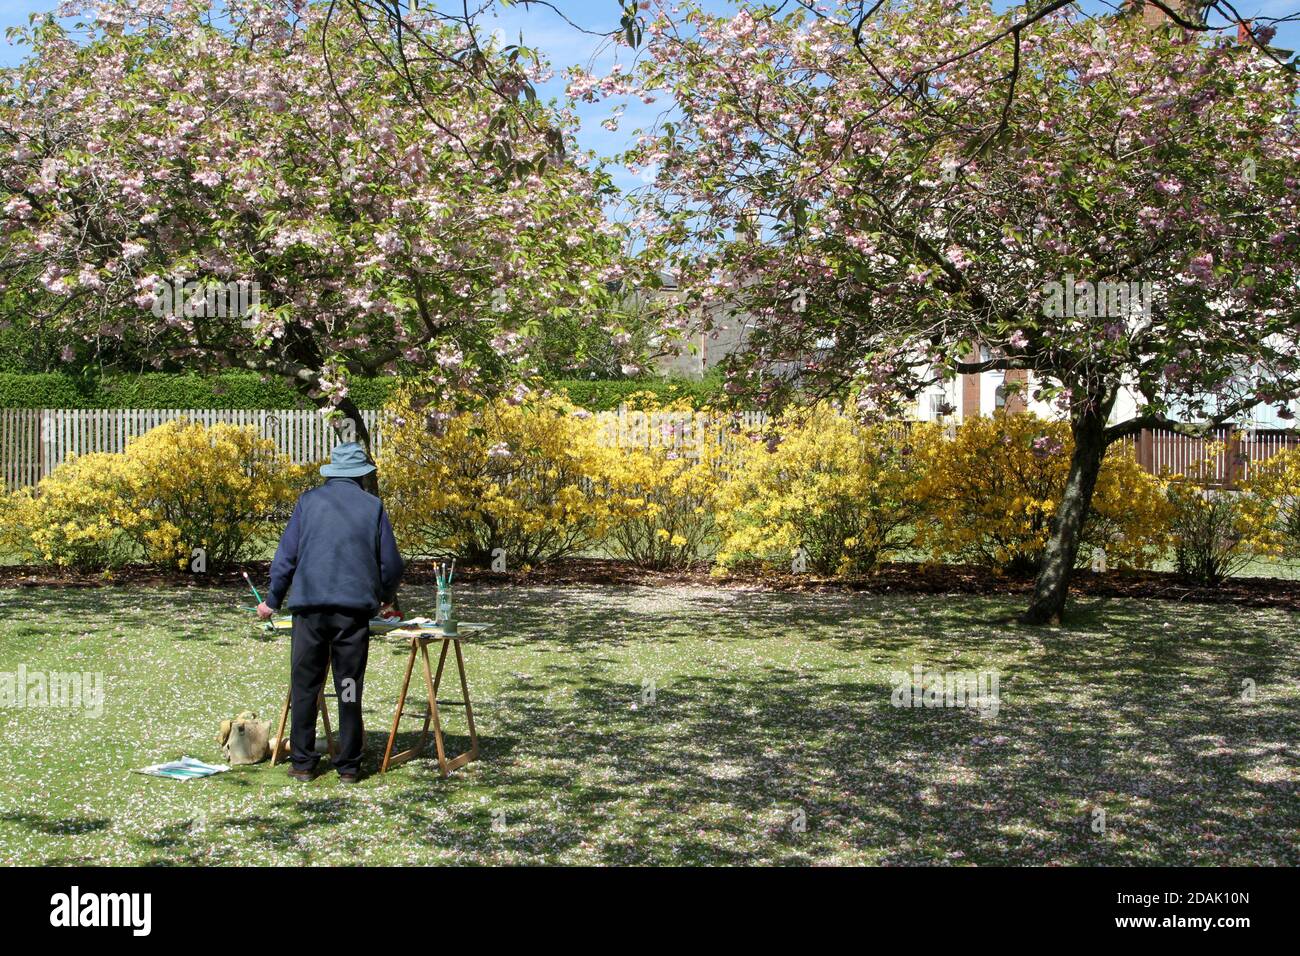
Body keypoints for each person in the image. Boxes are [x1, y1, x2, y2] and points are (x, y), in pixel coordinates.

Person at [257, 441, 404, 782]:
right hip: (351, 614)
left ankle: (304, 763)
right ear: (361, 476)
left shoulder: (308, 502)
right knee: (348, 686)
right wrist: (384, 597)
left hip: (309, 611)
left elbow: (286, 558)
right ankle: (350, 767)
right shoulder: (373, 507)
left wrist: (272, 601)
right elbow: (392, 564)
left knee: (306, 685)